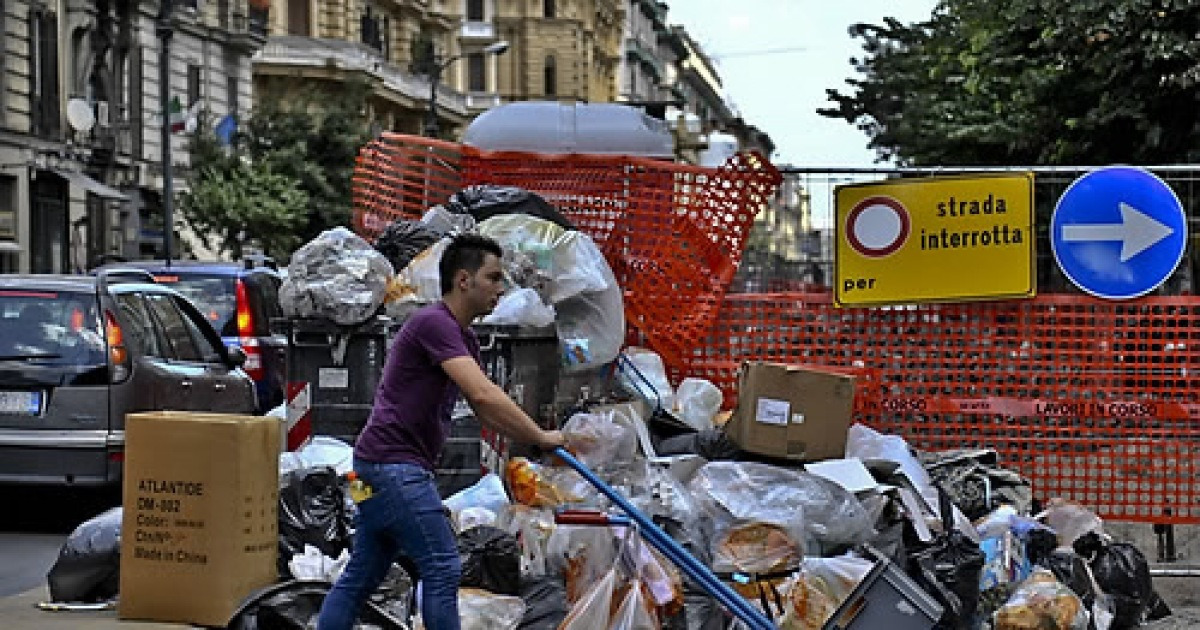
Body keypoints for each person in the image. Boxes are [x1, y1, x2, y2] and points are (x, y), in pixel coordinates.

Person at [317, 233, 566, 630]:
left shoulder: (459, 334)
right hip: (392, 468)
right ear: (464, 280)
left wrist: (532, 440)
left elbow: (487, 410)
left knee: (363, 572)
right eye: (494, 278)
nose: (500, 289)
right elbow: (482, 395)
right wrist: (541, 435)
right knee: (443, 564)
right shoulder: (434, 323)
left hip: (369, 469)